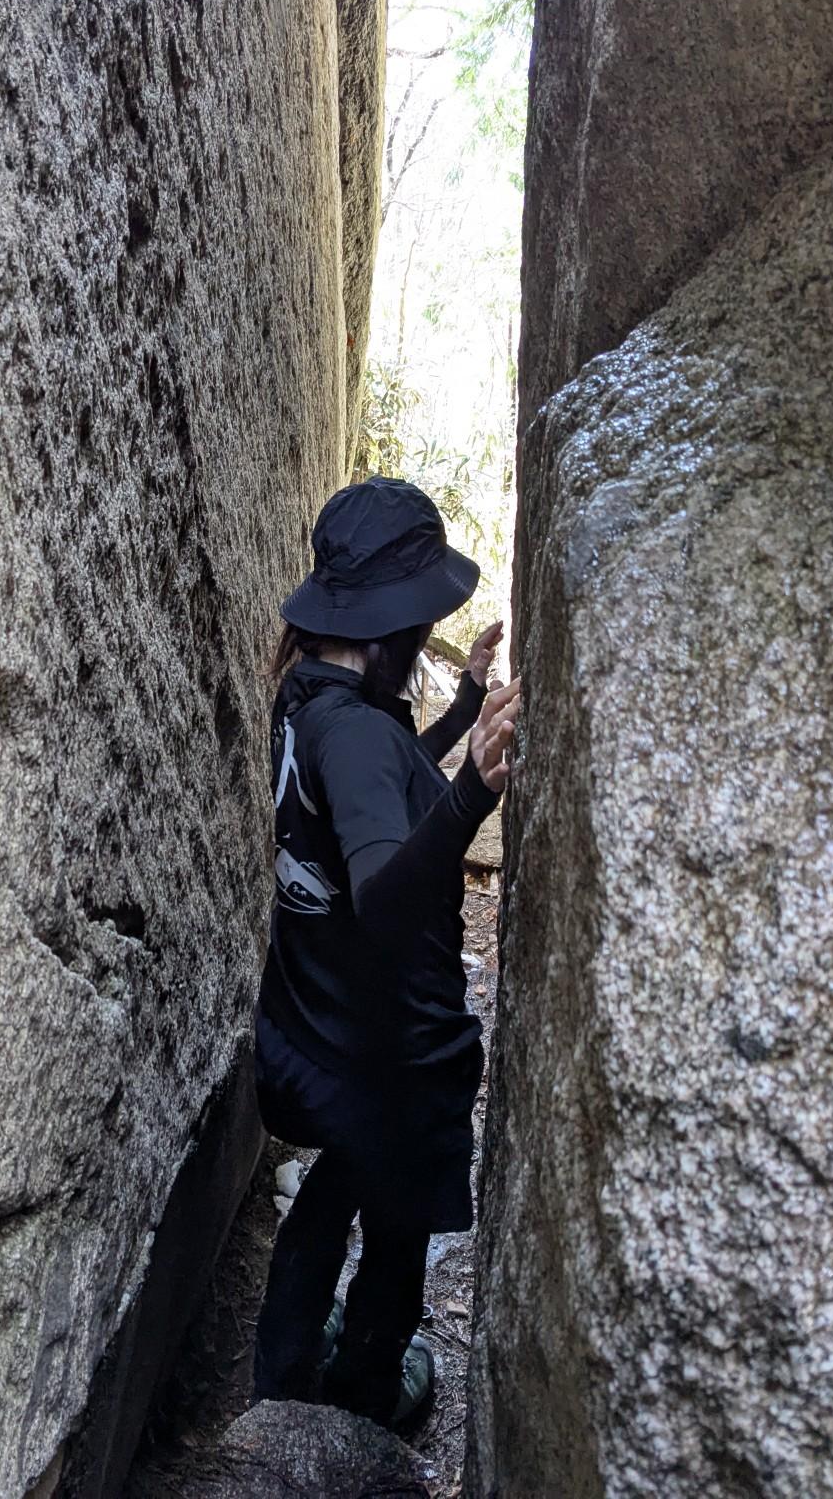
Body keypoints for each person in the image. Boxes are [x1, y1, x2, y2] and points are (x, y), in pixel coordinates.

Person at [251, 475, 521, 1429]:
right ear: (393, 624)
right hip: (380, 1052)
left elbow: (381, 778)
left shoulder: (308, 693)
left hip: (313, 1024)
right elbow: (382, 900)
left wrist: (465, 710)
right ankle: (358, 1399)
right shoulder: (355, 736)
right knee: (396, 1235)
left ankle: (277, 1380)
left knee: (335, 1195)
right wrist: (476, 792)